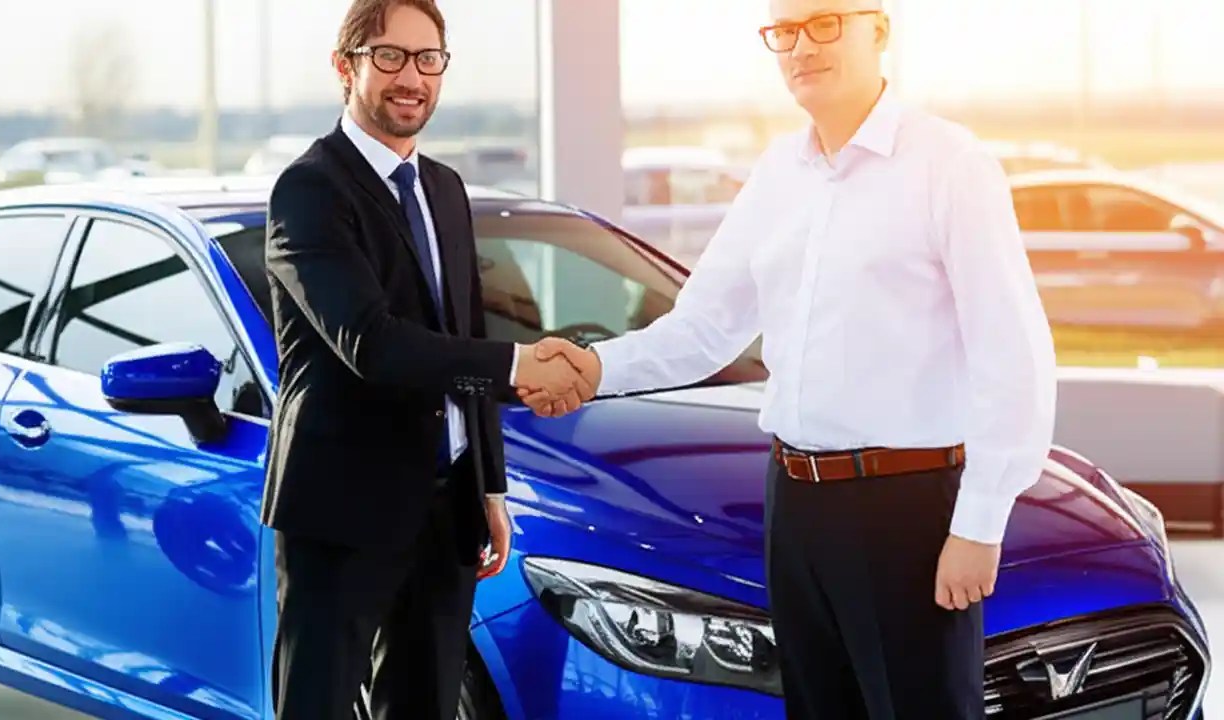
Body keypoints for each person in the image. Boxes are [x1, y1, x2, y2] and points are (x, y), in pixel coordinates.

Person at [524, 0, 1057, 717]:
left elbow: (1013, 353)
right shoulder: (779, 172)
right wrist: (594, 370)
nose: (802, 47)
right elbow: (706, 326)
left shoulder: (949, 164)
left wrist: (979, 526)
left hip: (907, 508)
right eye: (785, 32)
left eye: (824, 22)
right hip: (795, 505)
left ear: (879, 29)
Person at [260, 1, 588, 718]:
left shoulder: (444, 187)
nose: (411, 77)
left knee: (427, 705)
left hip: (447, 510)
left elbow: (463, 328)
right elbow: (371, 343)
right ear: (344, 66)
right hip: (343, 507)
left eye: (427, 59)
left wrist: (489, 485)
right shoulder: (310, 190)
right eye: (389, 56)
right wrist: (520, 365)